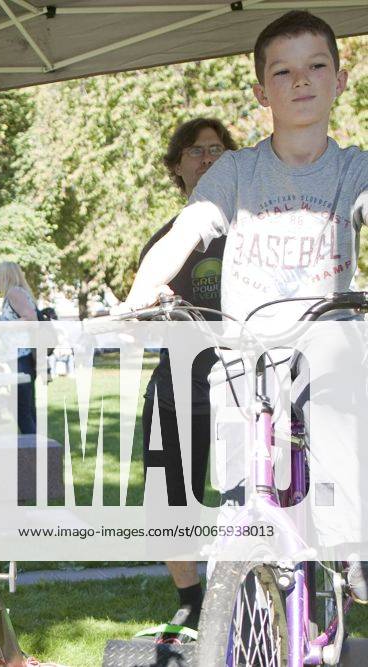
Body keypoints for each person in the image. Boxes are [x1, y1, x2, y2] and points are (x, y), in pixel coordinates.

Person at [126, 10, 366, 597]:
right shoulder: (236, 171)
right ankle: (236, 601)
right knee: (241, 495)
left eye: (316, 67)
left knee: (340, 373)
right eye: (282, 72)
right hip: (248, 356)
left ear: (339, 80)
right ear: (262, 91)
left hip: (325, 349)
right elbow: (188, 231)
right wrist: (141, 288)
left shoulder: (354, 167)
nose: (301, 81)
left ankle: (349, 544)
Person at [137, 118, 237, 643]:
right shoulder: (164, 241)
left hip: (245, 389)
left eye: (218, 150)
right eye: (196, 152)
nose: (207, 159)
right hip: (177, 388)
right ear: (178, 167)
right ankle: (191, 602)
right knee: (168, 501)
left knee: (253, 496)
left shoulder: (252, 232)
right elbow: (143, 312)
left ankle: (249, 592)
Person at [0, 261, 39, 434]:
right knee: (26, 410)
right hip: (20, 358)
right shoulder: (16, 293)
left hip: (21, 358)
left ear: (7, 275)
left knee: (22, 412)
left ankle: (34, 453)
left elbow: (31, 319)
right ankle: (39, 453)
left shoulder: (14, 293)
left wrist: (3, 326)